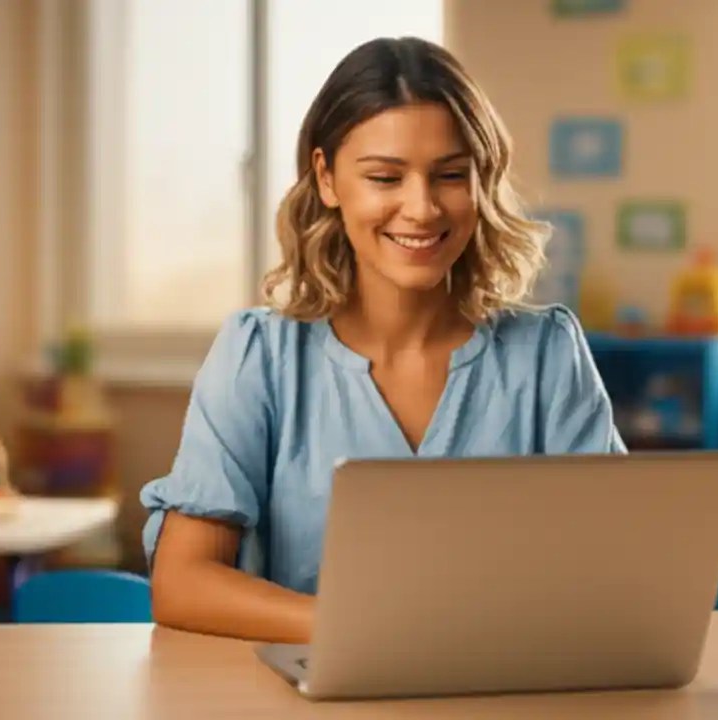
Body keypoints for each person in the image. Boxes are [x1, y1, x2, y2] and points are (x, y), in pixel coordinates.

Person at [140, 36, 625, 644]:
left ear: (483, 180)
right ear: (327, 178)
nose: (420, 208)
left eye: (450, 175)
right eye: (384, 177)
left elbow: (612, 573)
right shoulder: (259, 357)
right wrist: (367, 633)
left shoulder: (548, 353)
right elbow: (183, 581)